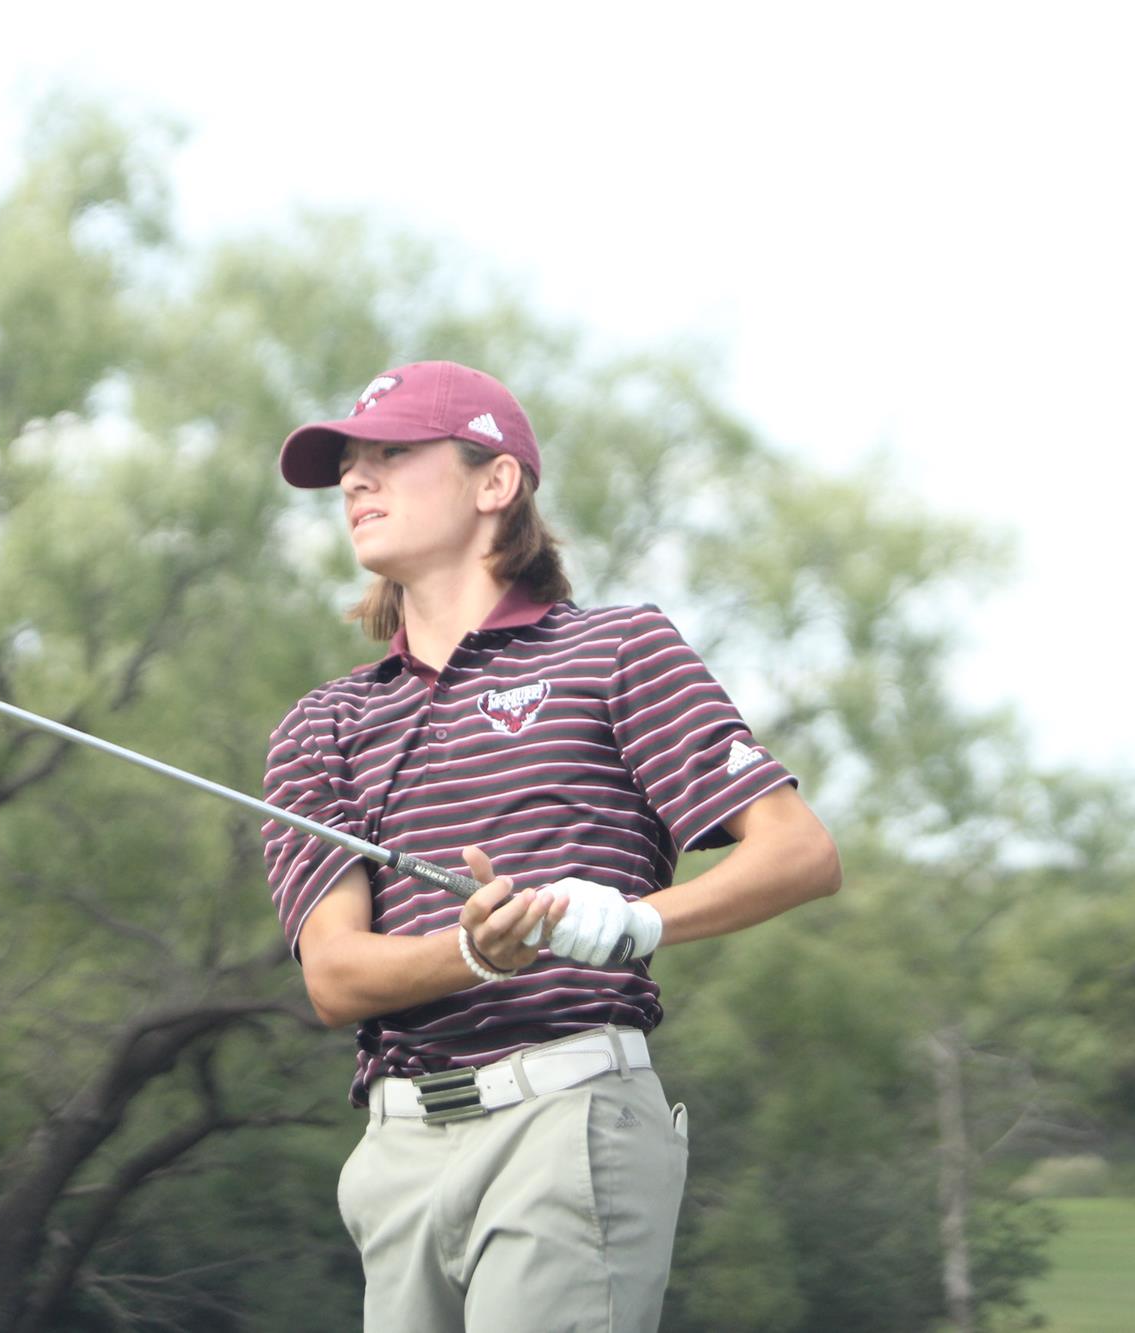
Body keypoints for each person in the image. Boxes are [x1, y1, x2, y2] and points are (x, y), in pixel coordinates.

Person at [260, 360, 842, 1332]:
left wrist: (629, 923)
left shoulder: (616, 652)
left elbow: (797, 851)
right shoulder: (322, 727)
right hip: (395, 1154)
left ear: (495, 483)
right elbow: (334, 978)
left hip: (564, 1122)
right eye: (348, 466)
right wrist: (473, 952)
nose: (356, 481)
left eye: (392, 455)